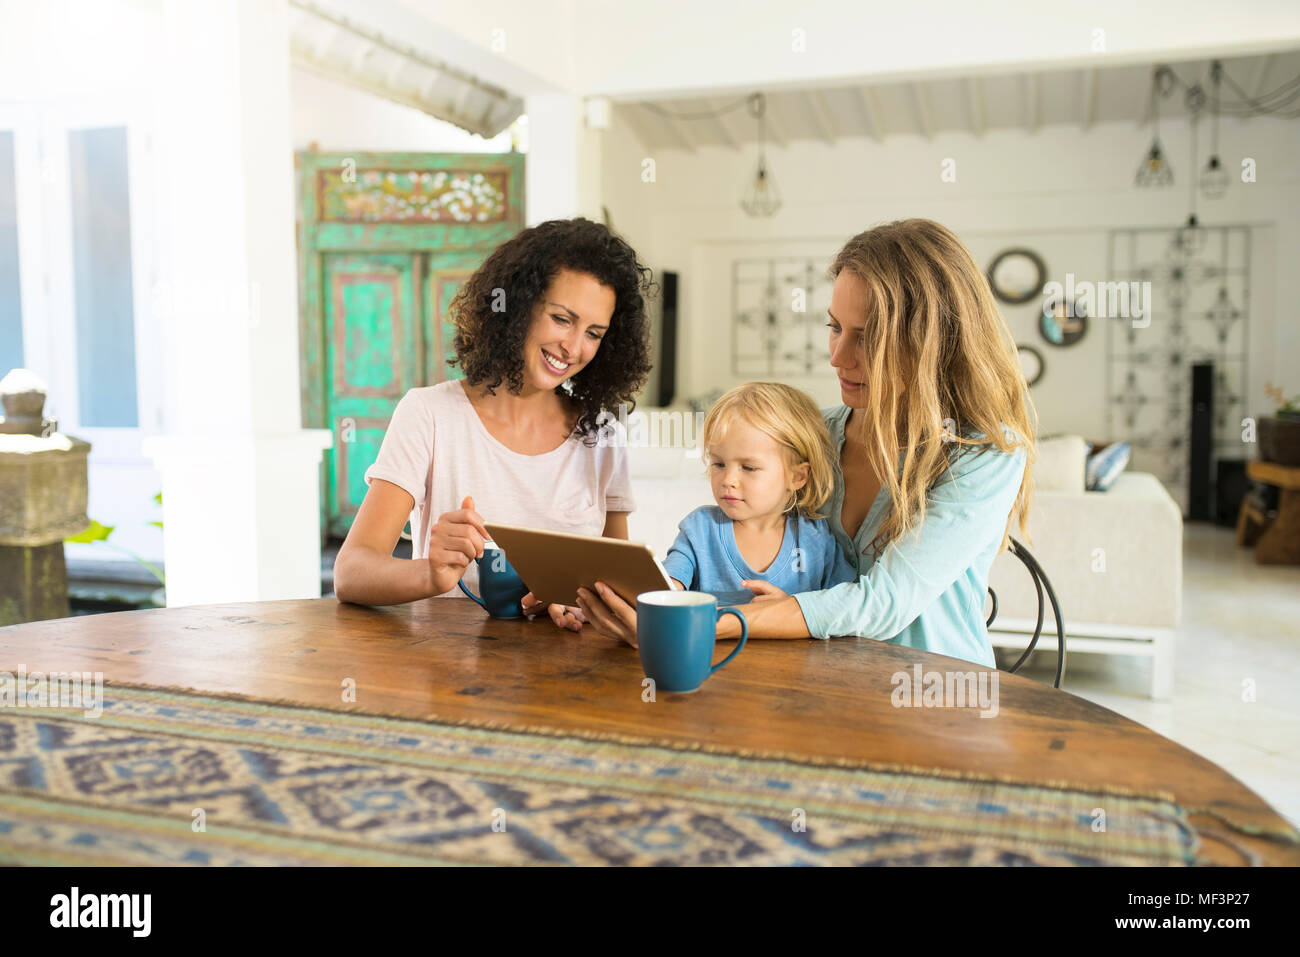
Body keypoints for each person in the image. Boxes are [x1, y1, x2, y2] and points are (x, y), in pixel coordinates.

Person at [576, 218, 1038, 668]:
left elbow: (885, 605)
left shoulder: (982, 453)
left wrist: (695, 625)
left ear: (932, 343)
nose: (836, 357)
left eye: (868, 337)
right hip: (822, 687)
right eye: (834, 327)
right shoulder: (812, 436)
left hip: (936, 702)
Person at [333, 217, 654, 632]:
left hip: (574, 680)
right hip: (451, 678)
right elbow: (350, 573)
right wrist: (429, 573)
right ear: (519, 307)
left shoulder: (602, 433)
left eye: (594, 333)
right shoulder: (429, 415)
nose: (573, 348)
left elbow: (616, 586)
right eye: (561, 319)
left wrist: (584, 604)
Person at [657, 382, 858, 625]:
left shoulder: (816, 539)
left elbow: (841, 607)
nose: (728, 480)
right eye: (718, 464)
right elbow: (666, 586)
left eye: (749, 468)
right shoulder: (699, 529)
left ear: (797, 477)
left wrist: (790, 609)